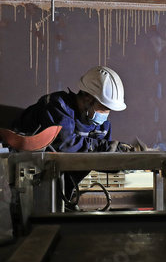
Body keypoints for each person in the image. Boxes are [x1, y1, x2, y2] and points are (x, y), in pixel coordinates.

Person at [10, 65, 132, 207]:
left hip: (61, 193)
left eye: (109, 110)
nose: (105, 114)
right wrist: (105, 147)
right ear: (87, 98)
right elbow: (64, 144)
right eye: (103, 107)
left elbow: (101, 158)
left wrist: (123, 160)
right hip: (23, 187)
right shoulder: (57, 106)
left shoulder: (103, 126)